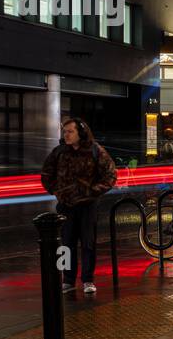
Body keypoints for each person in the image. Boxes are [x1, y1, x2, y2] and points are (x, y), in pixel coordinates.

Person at [41, 118, 117, 295]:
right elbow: (46, 172)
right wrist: (56, 191)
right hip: (65, 205)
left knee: (88, 243)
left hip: (87, 205)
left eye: (70, 131)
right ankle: (67, 280)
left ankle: (88, 279)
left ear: (80, 133)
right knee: (65, 245)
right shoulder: (59, 152)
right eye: (64, 131)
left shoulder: (95, 151)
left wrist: (92, 191)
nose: (66, 135)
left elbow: (110, 175)